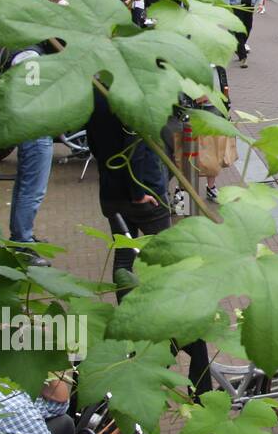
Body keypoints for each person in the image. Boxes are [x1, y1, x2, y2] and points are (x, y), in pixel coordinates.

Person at [86, 89, 212, 395]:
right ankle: (193, 378)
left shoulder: (98, 87)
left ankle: (131, 330)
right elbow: (137, 139)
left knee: (125, 258)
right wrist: (139, 190)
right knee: (167, 276)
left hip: (113, 190)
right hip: (142, 194)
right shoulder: (130, 88)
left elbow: (96, 141)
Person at [5, 43, 54, 266]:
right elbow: (32, 92)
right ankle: (22, 243)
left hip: (33, 128)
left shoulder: (27, 49)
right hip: (35, 129)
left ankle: (22, 237)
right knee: (32, 189)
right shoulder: (29, 53)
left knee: (26, 186)